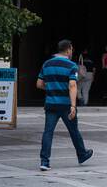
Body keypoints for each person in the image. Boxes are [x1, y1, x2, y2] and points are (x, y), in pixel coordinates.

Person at [36, 39, 93, 171]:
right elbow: (72, 85)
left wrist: (51, 88)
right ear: (68, 49)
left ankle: (44, 161)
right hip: (66, 105)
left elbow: (39, 84)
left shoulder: (46, 64)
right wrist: (73, 106)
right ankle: (82, 154)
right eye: (72, 49)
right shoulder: (71, 66)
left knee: (48, 132)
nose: (72, 52)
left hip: (50, 104)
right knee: (74, 131)